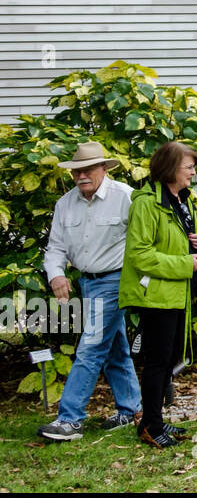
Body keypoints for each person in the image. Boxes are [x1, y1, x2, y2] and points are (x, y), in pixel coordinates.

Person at [36, 142, 142, 441]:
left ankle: (70, 419)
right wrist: (56, 274)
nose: (82, 175)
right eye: (77, 171)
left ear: (104, 168)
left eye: (88, 169)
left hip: (117, 281)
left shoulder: (126, 197)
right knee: (115, 348)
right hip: (87, 282)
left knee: (91, 346)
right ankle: (129, 409)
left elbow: (147, 239)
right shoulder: (65, 204)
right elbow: (55, 247)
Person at [120, 141, 197, 448]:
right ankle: (149, 426)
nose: (193, 173)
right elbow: (139, 255)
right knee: (157, 362)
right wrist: (185, 263)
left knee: (168, 359)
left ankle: (153, 420)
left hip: (175, 292)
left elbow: (178, 240)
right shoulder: (146, 203)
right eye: (189, 167)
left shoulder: (180, 199)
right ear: (170, 168)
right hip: (155, 294)